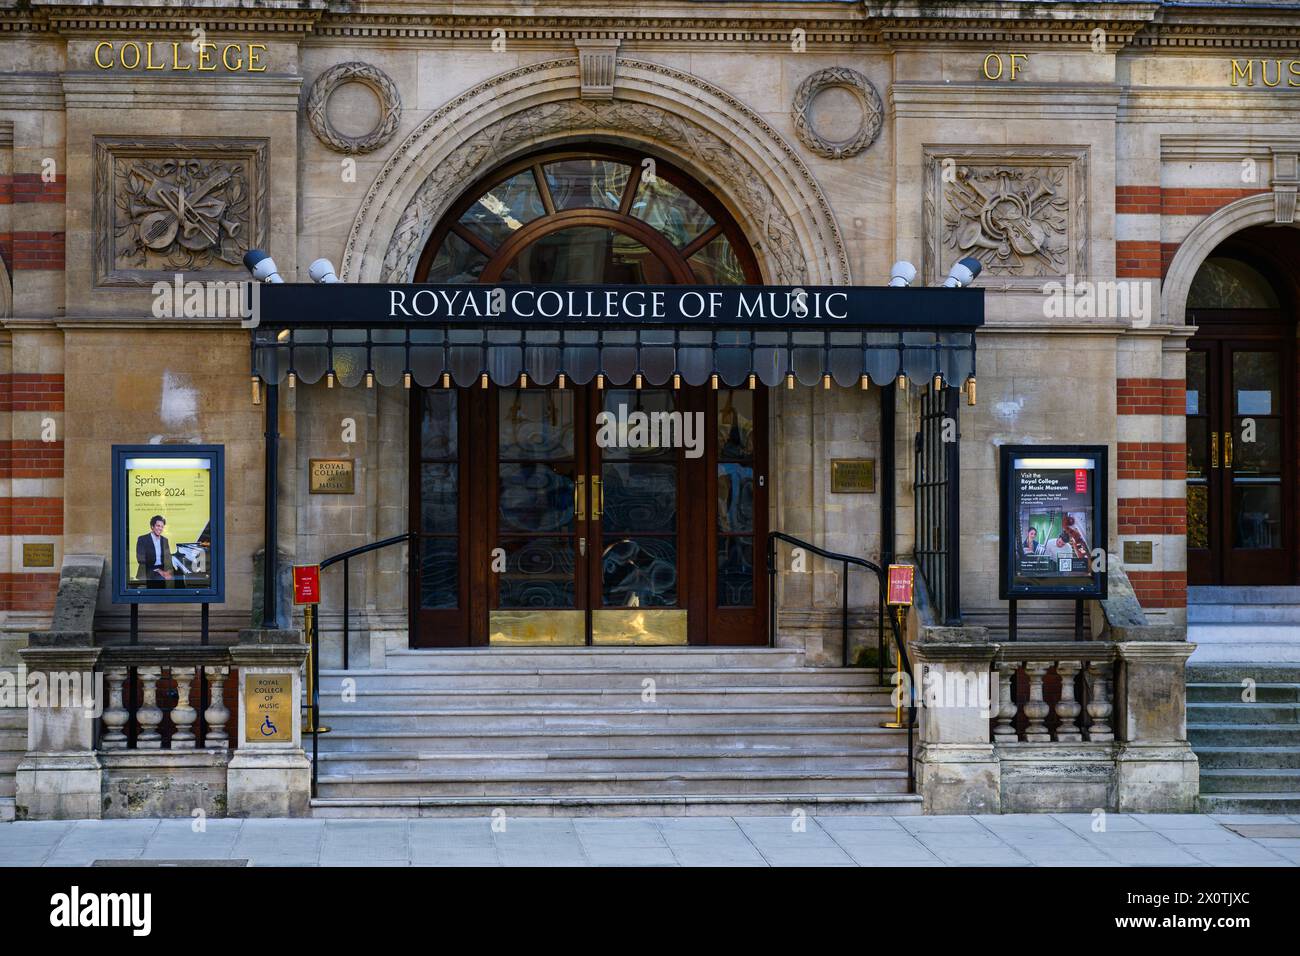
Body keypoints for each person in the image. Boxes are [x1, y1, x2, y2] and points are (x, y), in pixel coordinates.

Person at [135, 515, 173, 586]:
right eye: (158, 526)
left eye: (162, 526)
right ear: (152, 526)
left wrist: (168, 571)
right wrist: (158, 570)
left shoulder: (165, 540)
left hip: (162, 571)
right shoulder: (142, 539)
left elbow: (168, 557)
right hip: (147, 572)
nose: (160, 528)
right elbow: (141, 559)